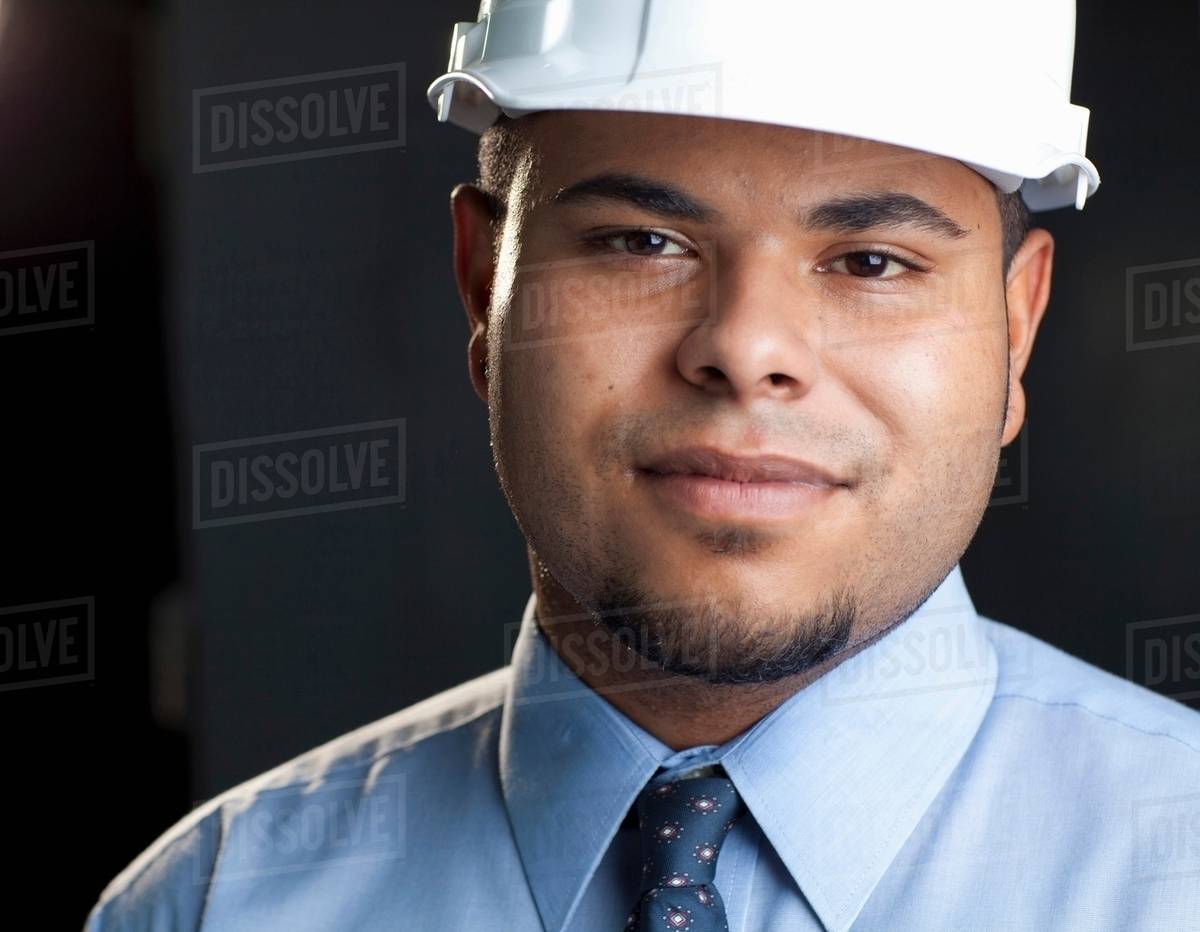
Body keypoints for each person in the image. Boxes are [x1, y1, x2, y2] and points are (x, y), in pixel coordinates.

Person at [87, 1, 1199, 929]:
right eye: (641, 241)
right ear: (485, 287)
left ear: (1019, 325)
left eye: (871, 259)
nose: (747, 347)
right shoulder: (214, 902)